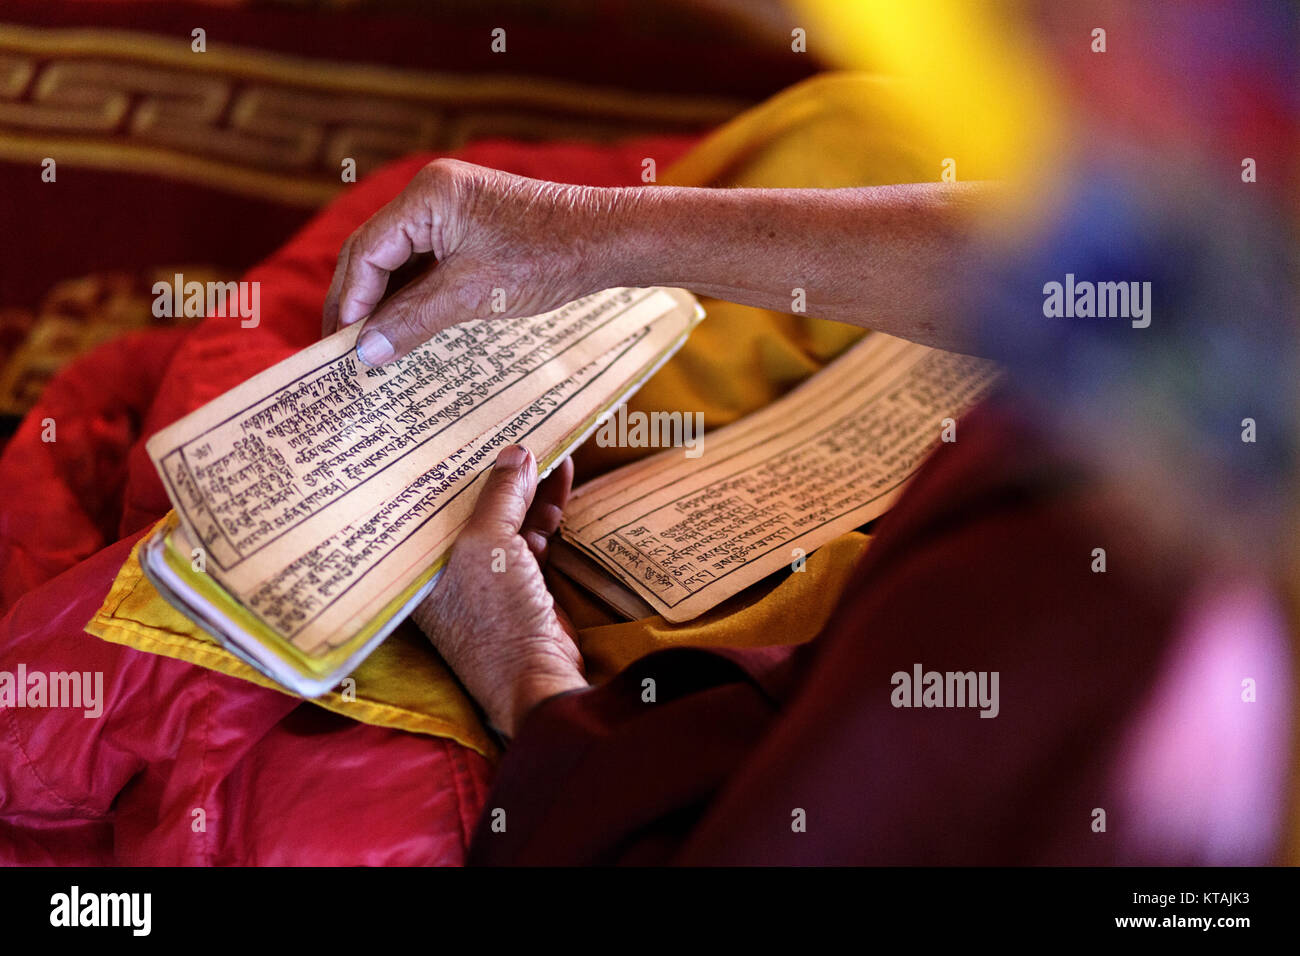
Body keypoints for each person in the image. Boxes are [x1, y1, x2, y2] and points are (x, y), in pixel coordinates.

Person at [321, 160, 1291, 865]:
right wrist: (589, 232)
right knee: (841, 126)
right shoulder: (1224, 301)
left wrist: (521, 661)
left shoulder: (1106, 595)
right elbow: (1150, 282)